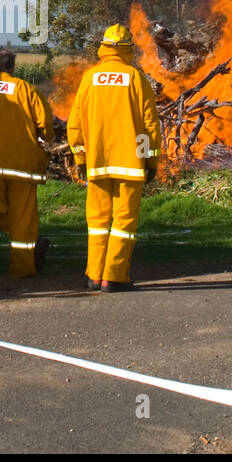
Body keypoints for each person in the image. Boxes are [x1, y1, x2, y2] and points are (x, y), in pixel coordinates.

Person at [67, 24, 162, 292]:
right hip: (130, 164)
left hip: (97, 163)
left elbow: (75, 122)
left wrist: (81, 158)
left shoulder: (90, 77)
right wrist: (150, 160)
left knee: (97, 222)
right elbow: (149, 124)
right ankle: (115, 277)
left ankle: (94, 276)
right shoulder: (135, 78)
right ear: (126, 49)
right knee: (123, 223)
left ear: (105, 47)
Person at [0, 48, 54, 279]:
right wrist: (47, 138)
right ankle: (31, 245)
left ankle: (23, 268)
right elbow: (44, 122)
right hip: (20, 163)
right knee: (18, 217)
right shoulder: (23, 89)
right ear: (12, 67)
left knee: (1, 212)